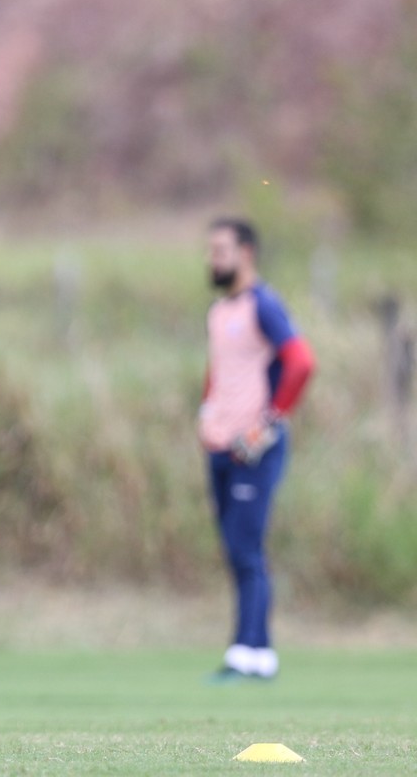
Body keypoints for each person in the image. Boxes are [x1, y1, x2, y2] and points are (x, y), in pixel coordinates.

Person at [198, 218, 315, 682]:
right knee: (234, 548)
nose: (213, 259)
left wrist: (267, 423)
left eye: (221, 250)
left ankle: (246, 655)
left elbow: (302, 363)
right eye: (210, 251)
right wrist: (207, 412)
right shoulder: (218, 312)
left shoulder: (263, 305)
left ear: (246, 253)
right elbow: (220, 371)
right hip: (220, 446)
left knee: (247, 550)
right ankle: (258, 652)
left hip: (254, 449)